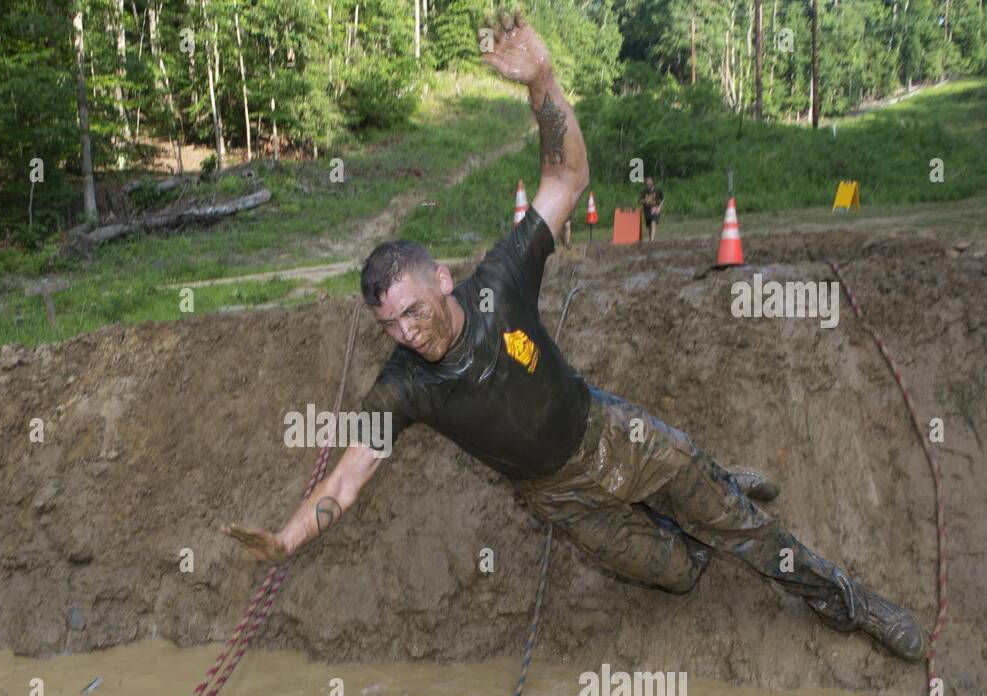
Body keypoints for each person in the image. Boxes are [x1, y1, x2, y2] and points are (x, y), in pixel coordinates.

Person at [219, 10, 927, 662]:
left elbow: (566, 175)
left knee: (744, 532)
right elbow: (348, 476)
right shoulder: (403, 385)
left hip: (606, 433)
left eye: (412, 310)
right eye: (391, 326)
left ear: (440, 278)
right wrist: (285, 539)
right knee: (680, 572)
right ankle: (698, 494)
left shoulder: (500, 280)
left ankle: (850, 602)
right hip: (557, 495)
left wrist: (543, 82)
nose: (408, 333)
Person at [640, 176, 664, 240]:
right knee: (649, 227)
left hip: (655, 209)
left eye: (650, 183)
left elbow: (663, 200)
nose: (649, 184)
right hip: (647, 210)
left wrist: (659, 208)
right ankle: (650, 239)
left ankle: (652, 241)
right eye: (647, 183)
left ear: (652, 182)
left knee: (653, 224)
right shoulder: (643, 191)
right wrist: (645, 201)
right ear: (646, 183)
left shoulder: (658, 190)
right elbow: (640, 200)